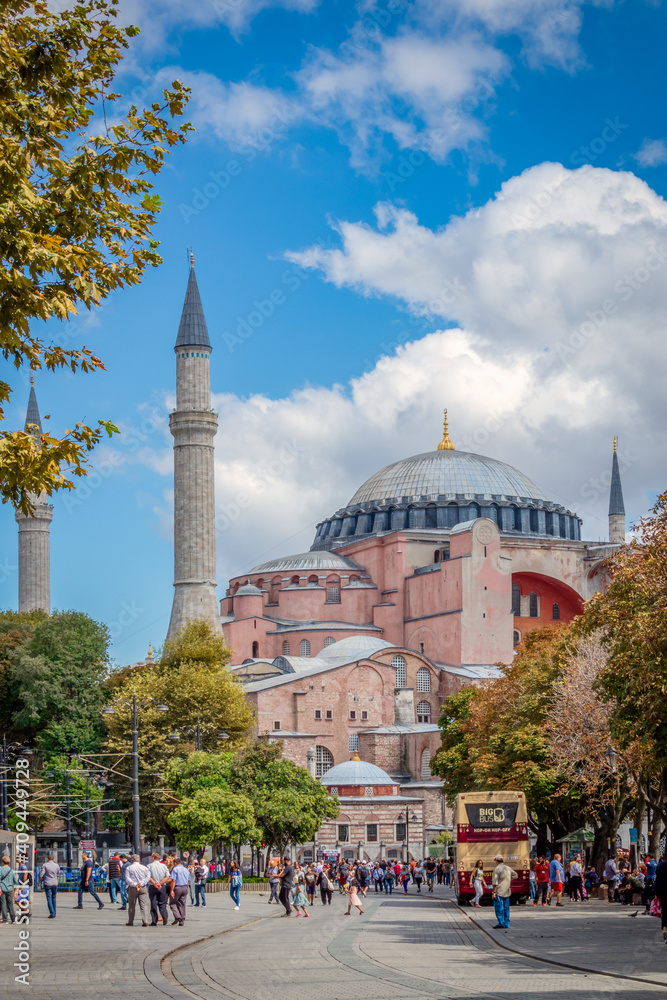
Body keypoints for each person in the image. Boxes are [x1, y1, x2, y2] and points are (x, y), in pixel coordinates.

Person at [491, 854, 517, 929]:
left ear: (496, 860)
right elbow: (516, 875)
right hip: (507, 891)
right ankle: (506, 923)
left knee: (499, 908)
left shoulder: (497, 869)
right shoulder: (507, 868)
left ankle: (501, 923)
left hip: (499, 891)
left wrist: (494, 892)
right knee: (506, 908)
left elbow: (495, 882)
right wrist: (509, 879)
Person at [125, 854, 151, 927]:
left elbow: (127, 878)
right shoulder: (144, 868)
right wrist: (141, 884)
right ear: (139, 860)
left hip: (133, 888)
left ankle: (130, 921)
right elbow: (148, 877)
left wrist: (135, 884)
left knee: (132, 905)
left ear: (132, 860)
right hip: (142, 887)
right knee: (143, 905)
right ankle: (145, 921)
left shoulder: (129, 868)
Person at [147, 852, 170, 926]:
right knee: (162, 902)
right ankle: (164, 916)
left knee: (153, 903)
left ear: (153, 857)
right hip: (162, 886)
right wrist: (160, 883)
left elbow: (148, 876)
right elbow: (167, 876)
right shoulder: (163, 866)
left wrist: (155, 883)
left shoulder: (149, 866)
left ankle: (154, 920)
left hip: (153, 886)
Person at [169, 857, 190, 926]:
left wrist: (172, 890)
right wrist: (186, 888)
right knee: (182, 904)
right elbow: (188, 881)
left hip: (177, 887)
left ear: (175, 863)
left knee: (172, 902)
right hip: (184, 887)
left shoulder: (175, 869)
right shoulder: (186, 869)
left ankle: (177, 916)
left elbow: (173, 880)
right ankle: (182, 920)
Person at [0, 855, 19, 924]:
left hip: (2, 889)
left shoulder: (1, 870)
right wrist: (16, 891)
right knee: (10, 904)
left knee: (3, 904)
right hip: (10, 889)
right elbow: (16, 882)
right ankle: (13, 919)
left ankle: (5, 920)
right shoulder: (12, 871)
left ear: (3, 862)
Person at [41, 854, 61, 919]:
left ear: (47, 859)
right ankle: (54, 912)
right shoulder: (57, 865)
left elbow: (41, 874)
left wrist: (39, 881)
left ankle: (52, 913)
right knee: (54, 897)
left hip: (47, 883)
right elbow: (58, 873)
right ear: (53, 859)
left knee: (49, 898)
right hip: (55, 883)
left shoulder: (45, 865)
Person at [654, 852, 667, 943]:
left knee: (665, 911)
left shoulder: (661, 865)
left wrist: (656, 893)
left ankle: (665, 927)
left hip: (664, 892)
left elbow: (657, 880)